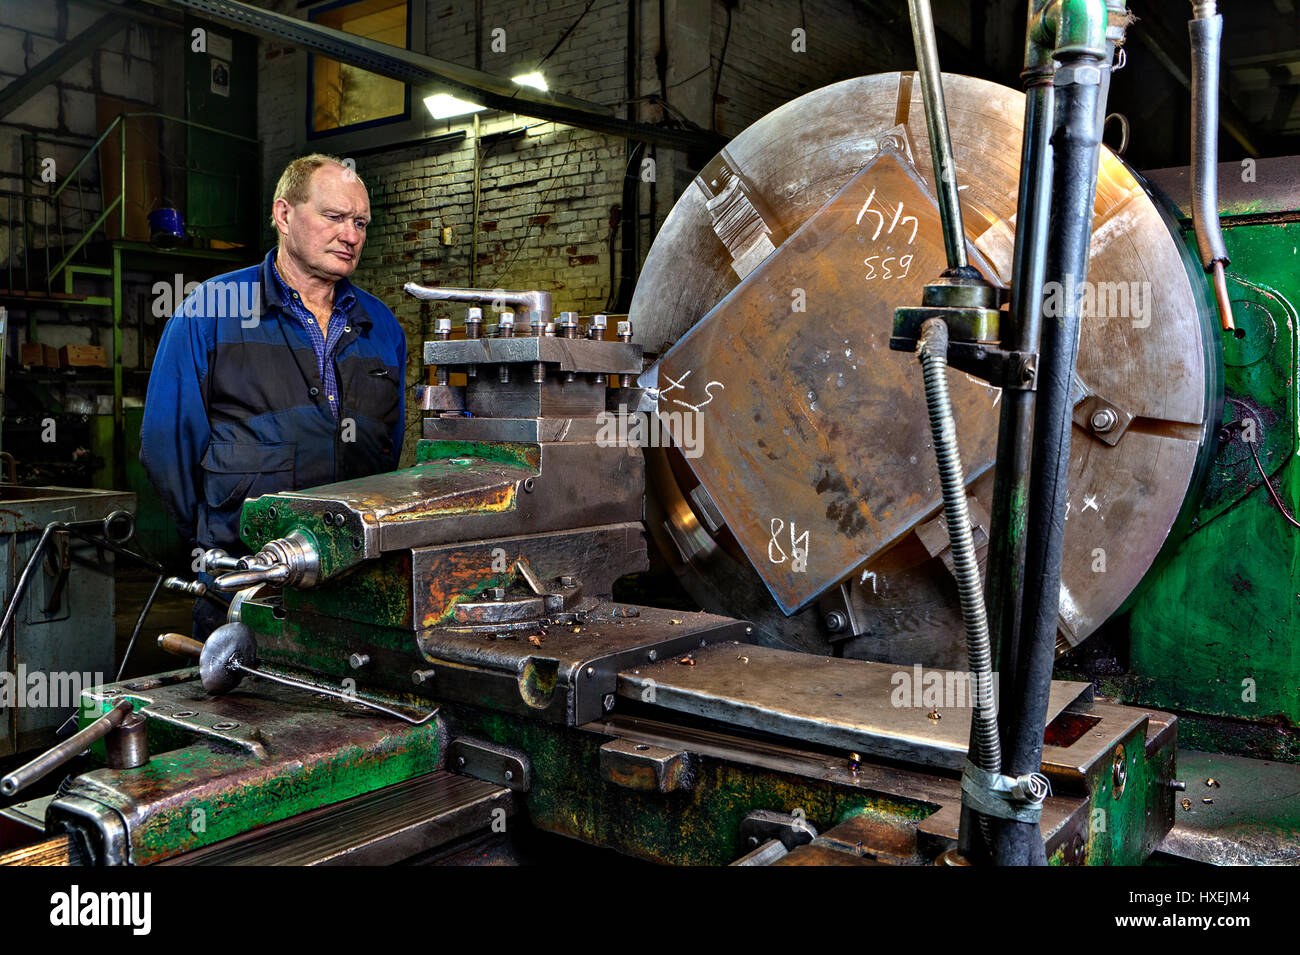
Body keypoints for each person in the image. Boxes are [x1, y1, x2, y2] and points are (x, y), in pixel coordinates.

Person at [141, 154, 406, 639]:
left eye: (360, 222)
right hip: (244, 588)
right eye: (334, 217)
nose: (351, 235)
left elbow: (389, 447)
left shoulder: (381, 325)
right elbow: (166, 449)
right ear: (284, 215)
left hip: (354, 590)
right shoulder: (212, 311)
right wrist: (215, 538)